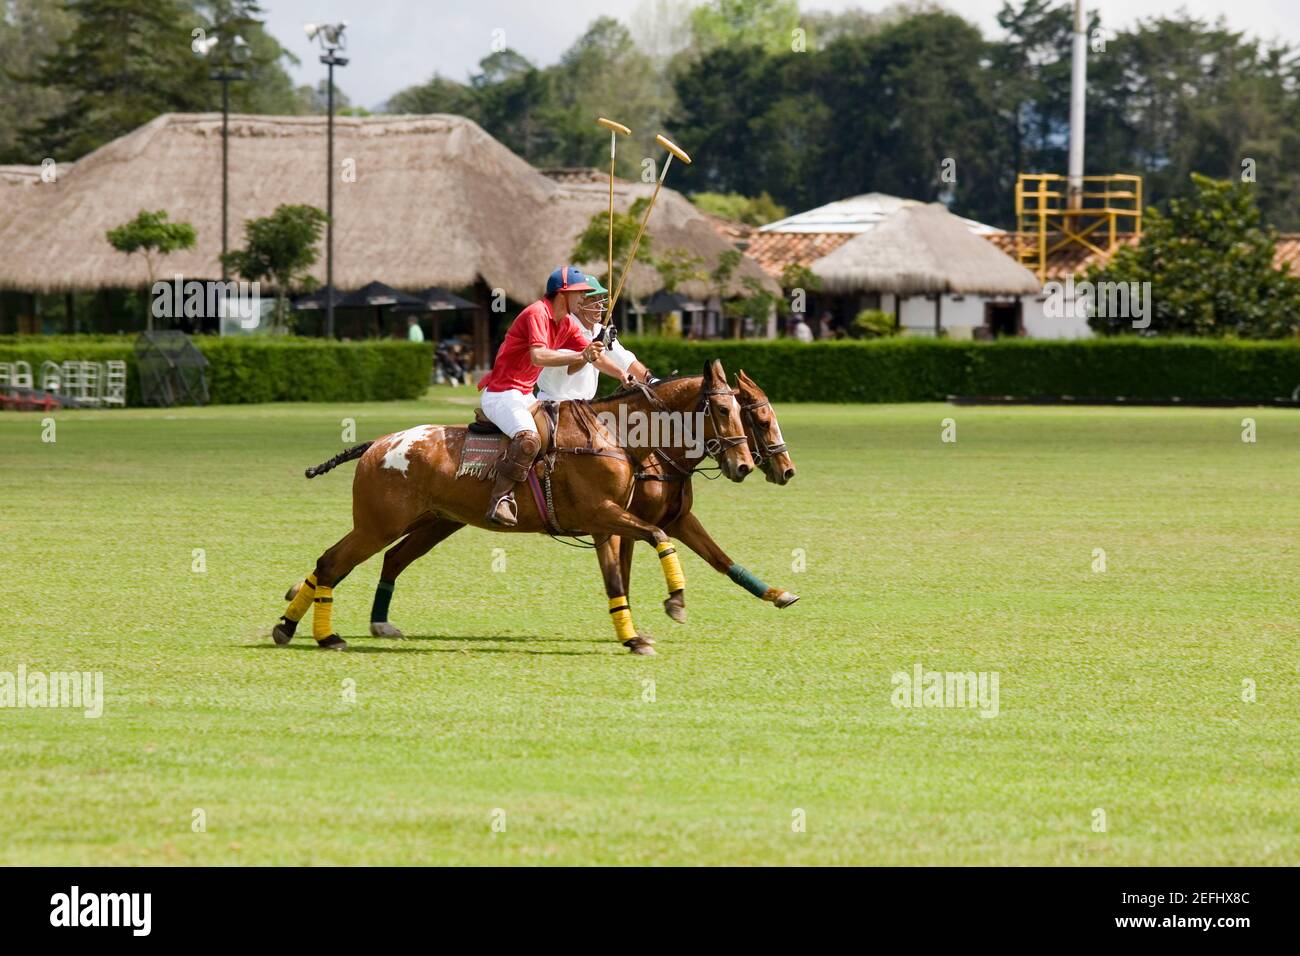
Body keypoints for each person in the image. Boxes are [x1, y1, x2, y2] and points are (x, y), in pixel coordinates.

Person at [476, 266, 609, 526]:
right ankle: (500, 500)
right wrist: (582, 356)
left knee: (558, 434)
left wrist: (629, 377)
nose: (583, 298)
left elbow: (594, 359)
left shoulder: (567, 322)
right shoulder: (537, 313)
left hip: (525, 395)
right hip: (502, 394)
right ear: (563, 294)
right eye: (579, 293)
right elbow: (539, 355)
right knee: (529, 440)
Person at [535, 274, 650, 403]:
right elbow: (572, 366)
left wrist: (651, 380)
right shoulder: (563, 327)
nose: (599, 305)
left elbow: (626, 361)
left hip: (584, 406)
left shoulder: (599, 331)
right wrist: (595, 345)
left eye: (601, 299)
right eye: (593, 299)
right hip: (554, 402)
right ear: (578, 302)